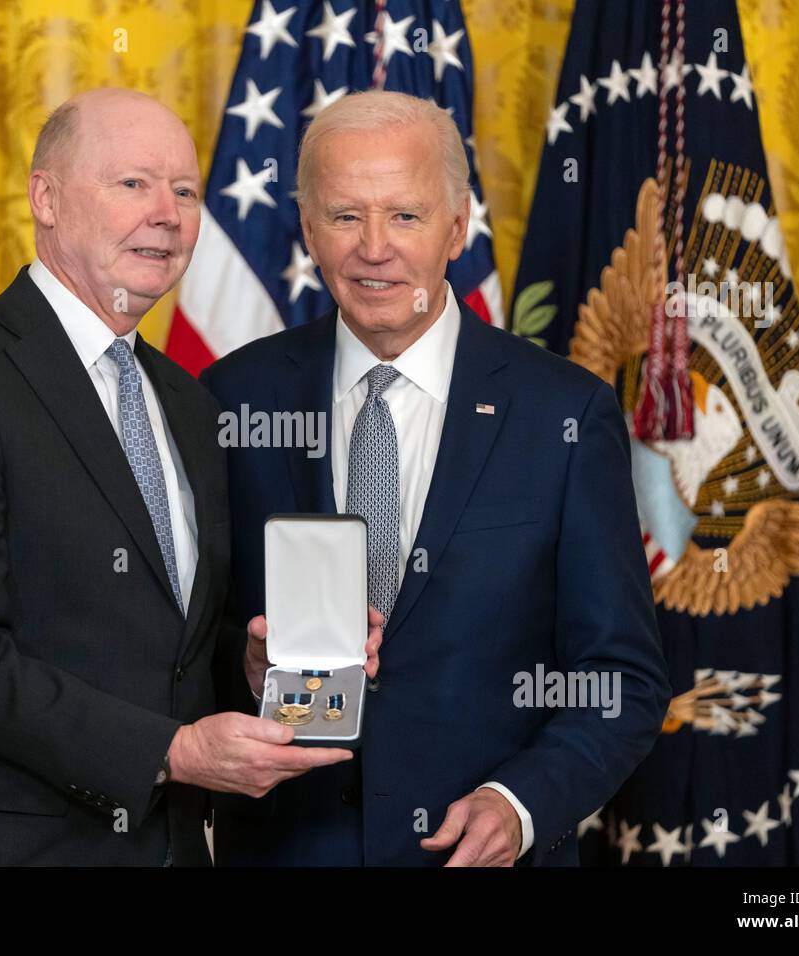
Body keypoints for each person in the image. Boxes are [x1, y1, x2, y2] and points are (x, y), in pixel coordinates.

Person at [0, 88, 355, 866]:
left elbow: (171, 652)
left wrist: (253, 669)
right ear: (44, 198)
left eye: (185, 191)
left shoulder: (189, 403)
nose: (167, 213)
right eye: (133, 184)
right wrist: (173, 752)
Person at [201, 90, 671, 866]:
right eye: (346, 215)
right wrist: (246, 670)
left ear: (458, 226)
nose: (374, 248)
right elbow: (178, 648)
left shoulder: (565, 414)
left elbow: (619, 678)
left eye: (407, 216)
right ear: (309, 228)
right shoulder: (230, 398)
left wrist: (520, 806)